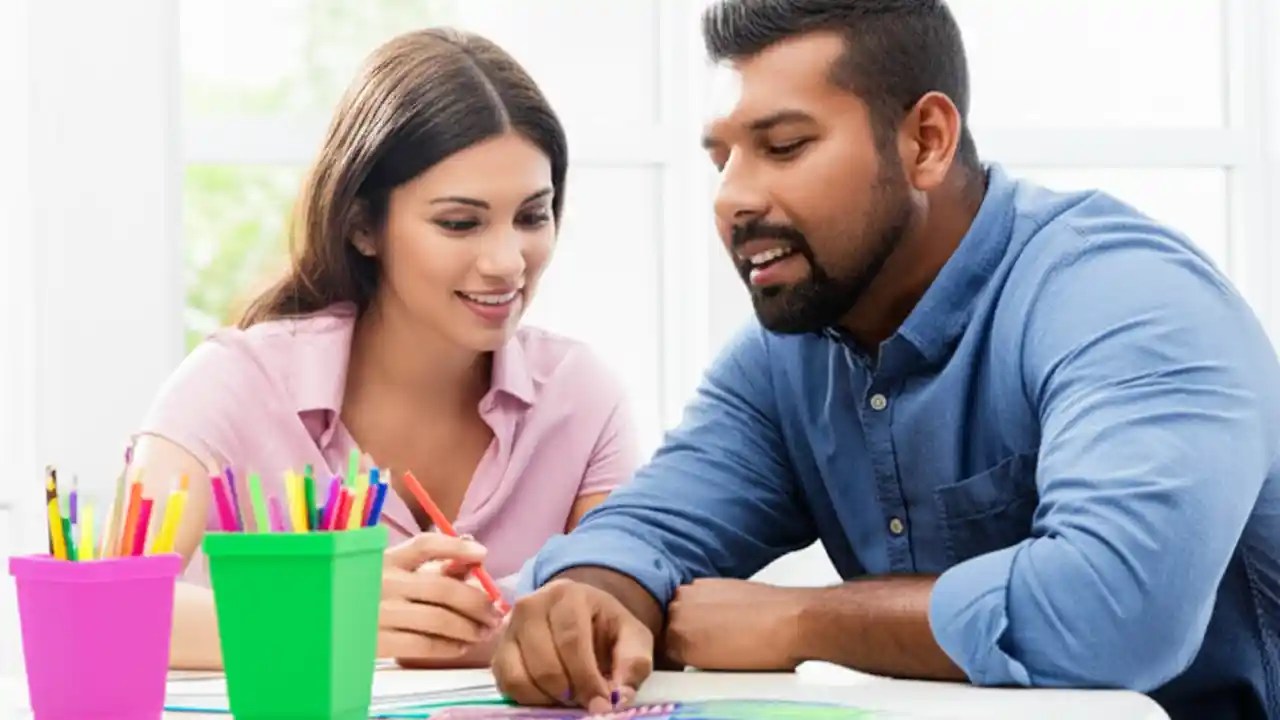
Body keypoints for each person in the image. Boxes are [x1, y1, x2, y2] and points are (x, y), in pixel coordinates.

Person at [492, 2, 1280, 719]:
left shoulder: (1123, 300)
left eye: (784, 146)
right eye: (722, 159)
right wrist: (593, 596)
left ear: (926, 142)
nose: (733, 198)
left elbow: (1119, 612)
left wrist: (796, 621)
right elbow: (653, 527)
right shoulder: (788, 354)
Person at [130, 28, 639, 671]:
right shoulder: (231, 384)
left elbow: (624, 599)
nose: (509, 262)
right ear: (363, 225)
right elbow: (105, 611)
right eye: (460, 222)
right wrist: (331, 614)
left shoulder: (580, 396)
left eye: (533, 217)